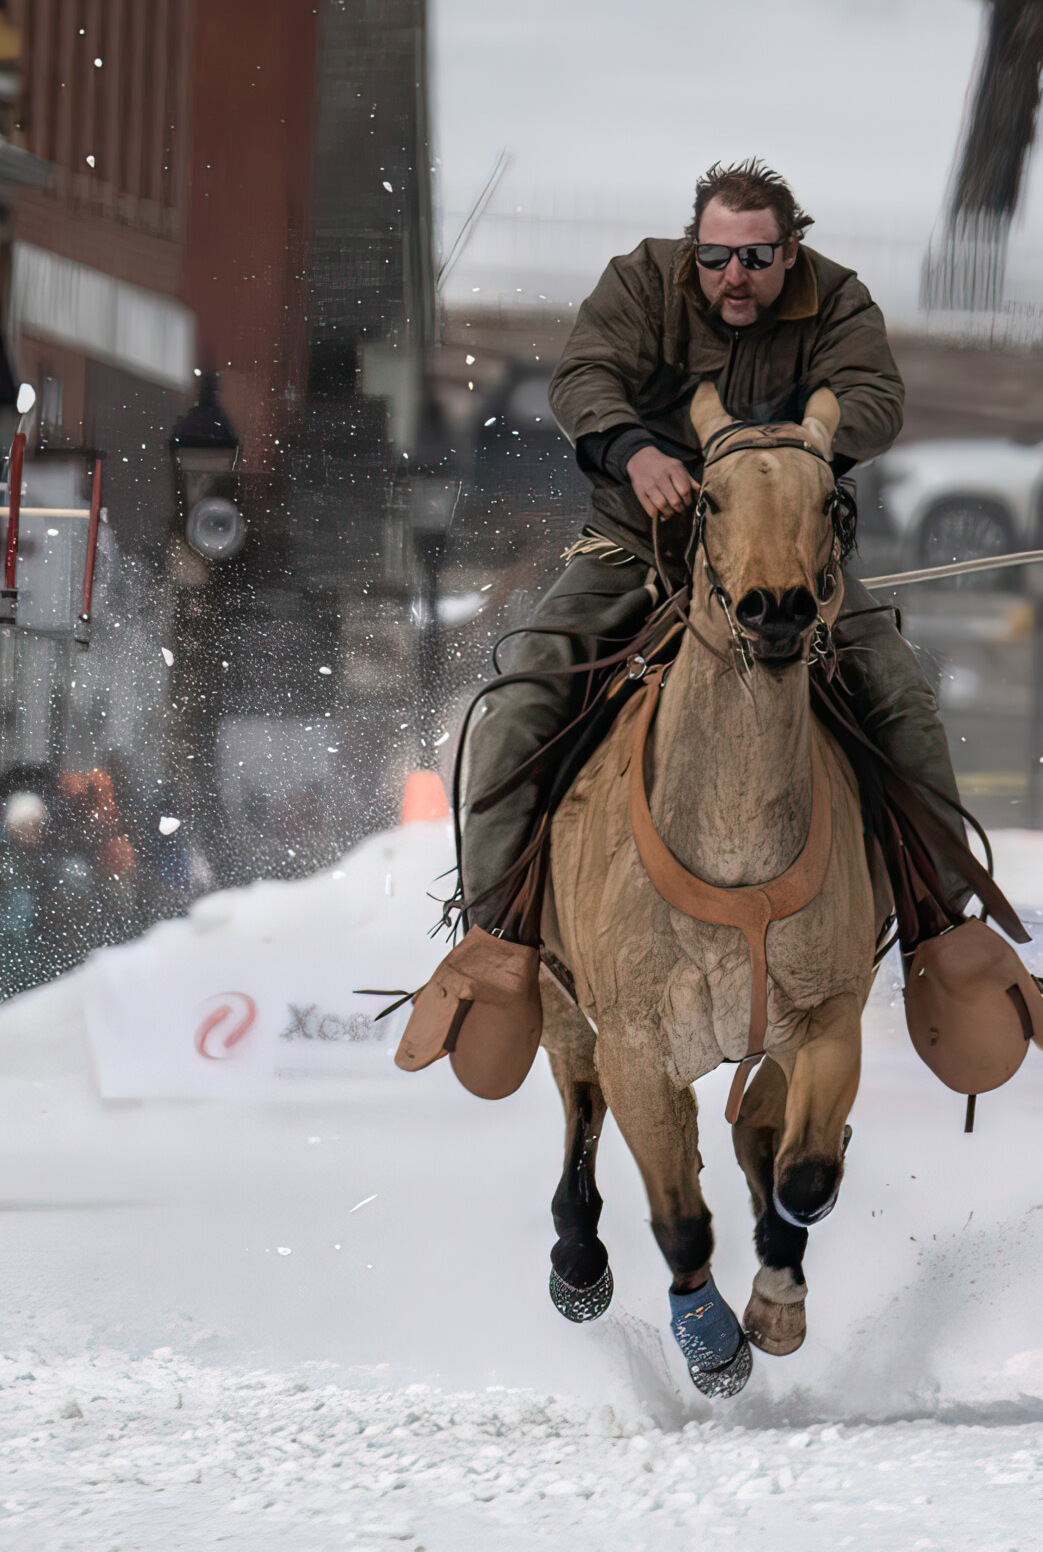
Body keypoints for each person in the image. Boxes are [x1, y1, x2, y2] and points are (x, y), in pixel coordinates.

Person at [415, 159, 974, 1060]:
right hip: (635, 547)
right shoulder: (641, 281)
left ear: (791, 251)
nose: (734, 277)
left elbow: (877, 397)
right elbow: (583, 378)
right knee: (519, 705)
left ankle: (944, 936)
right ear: (694, 248)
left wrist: (805, 444)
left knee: (901, 700)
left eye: (756, 256)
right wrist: (634, 450)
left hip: (787, 561)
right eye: (715, 257)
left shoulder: (839, 300)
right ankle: (498, 945)